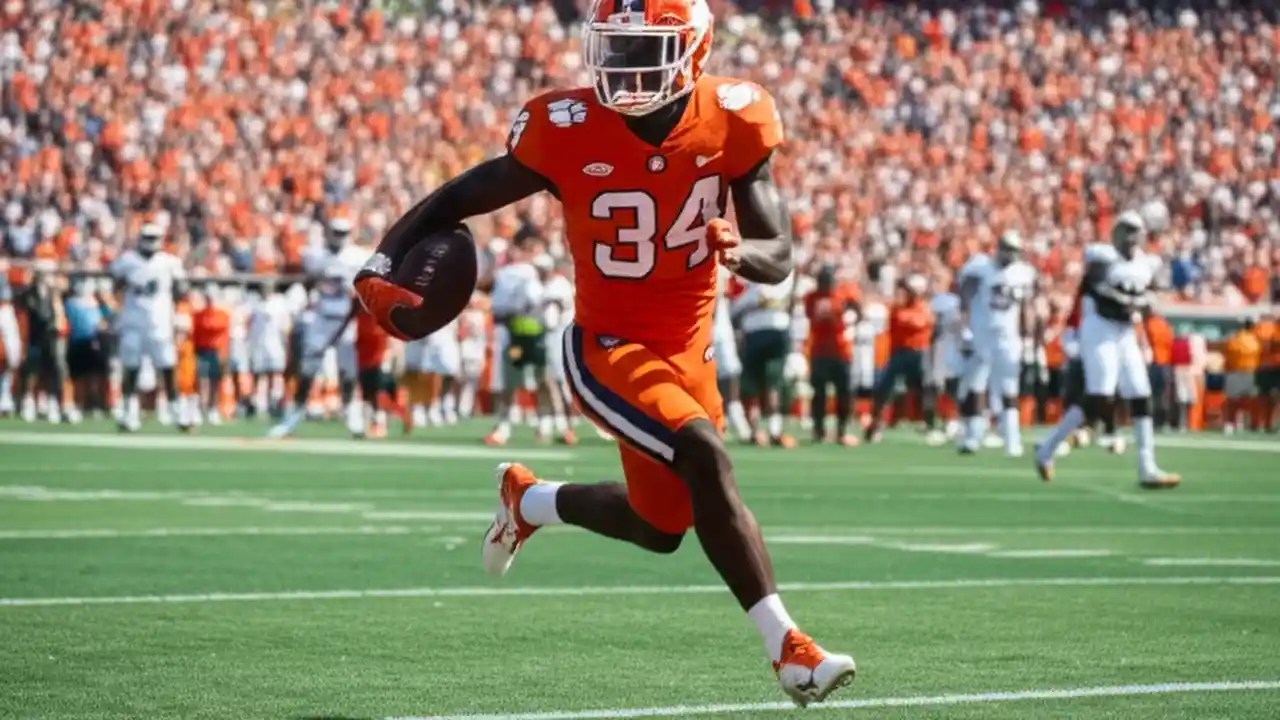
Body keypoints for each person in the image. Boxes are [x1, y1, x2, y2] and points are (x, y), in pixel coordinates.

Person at [352, 0, 855, 705]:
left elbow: (780, 252)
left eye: (645, 49)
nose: (626, 66)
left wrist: (744, 252)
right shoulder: (567, 127)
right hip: (607, 347)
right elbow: (456, 198)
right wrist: (379, 263)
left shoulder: (735, 118)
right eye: (616, 48)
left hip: (688, 353)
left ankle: (531, 500)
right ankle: (789, 650)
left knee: (663, 527)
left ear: (694, 52)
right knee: (705, 455)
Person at [1034, 212, 1179, 488]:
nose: (1130, 237)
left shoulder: (1145, 263)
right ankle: (1048, 448)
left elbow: (1153, 294)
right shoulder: (1102, 257)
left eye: (1135, 231)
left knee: (1140, 393)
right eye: (1125, 230)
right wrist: (1133, 300)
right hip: (1099, 329)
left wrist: (1142, 301)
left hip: (1124, 331)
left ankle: (1147, 466)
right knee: (1099, 397)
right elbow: (1100, 291)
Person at [269, 217, 368, 438]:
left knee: (348, 371)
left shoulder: (357, 257)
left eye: (343, 233)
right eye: (335, 232)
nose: (338, 237)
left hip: (347, 317)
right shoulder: (316, 255)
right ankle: (293, 415)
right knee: (307, 369)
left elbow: (365, 289)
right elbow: (308, 282)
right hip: (322, 316)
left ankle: (352, 414)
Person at [955, 231, 1037, 457]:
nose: (1010, 255)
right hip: (981, 334)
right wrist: (964, 329)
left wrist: (1028, 337)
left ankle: (1012, 438)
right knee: (976, 386)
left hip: (1008, 337)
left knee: (1009, 388)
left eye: (1014, 251)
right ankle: (973, 436)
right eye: (1007, 249)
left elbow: (1027, 306)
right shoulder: (980, 267)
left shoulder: (1023, 273)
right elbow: (964, 297)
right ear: (998, 247)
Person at [110, 224, 186, 432]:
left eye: (155, 237)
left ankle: (175, 407)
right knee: (131, 367)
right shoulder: (127, 260)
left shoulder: (169, 262)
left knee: (168, 366)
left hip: (159, 322)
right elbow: (115, 285)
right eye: (148, 237)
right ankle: (129, 410)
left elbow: (181, 290)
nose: (151, 242)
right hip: (133, 321)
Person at [864, 274, 933, 443]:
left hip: (917, 353)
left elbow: (920, 323)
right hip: (899, 353)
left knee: (925, 390)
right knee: (883, 389)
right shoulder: (897, 309)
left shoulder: (922, 308)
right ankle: (875, 425)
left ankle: (929, 425)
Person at [803, 263, 858, 445]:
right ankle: (819, 429)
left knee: (844, 392)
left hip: (841, 350)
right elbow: (814, 316)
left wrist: (851, 313)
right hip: (820, 350)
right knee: (819, 392)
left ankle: (842, 430)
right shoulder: (811, 297)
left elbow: (857, 310)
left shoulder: (845, 294)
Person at [1221, 318, 1261, 434]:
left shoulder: (1234, 339)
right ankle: (1248, 424)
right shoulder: (1256, 340)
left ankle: (1230, 423)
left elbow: (1227, 355)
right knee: (1249, 400)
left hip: (1235, 371)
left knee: (1232, 400)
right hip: (1251, 372)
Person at [1256, 312, 1279, 433]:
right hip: (1268, 368)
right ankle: (1263, 422)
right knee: (1265, 397)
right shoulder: (1268, 330)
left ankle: (1270, 423)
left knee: (1272, 398)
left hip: (1271, 368)